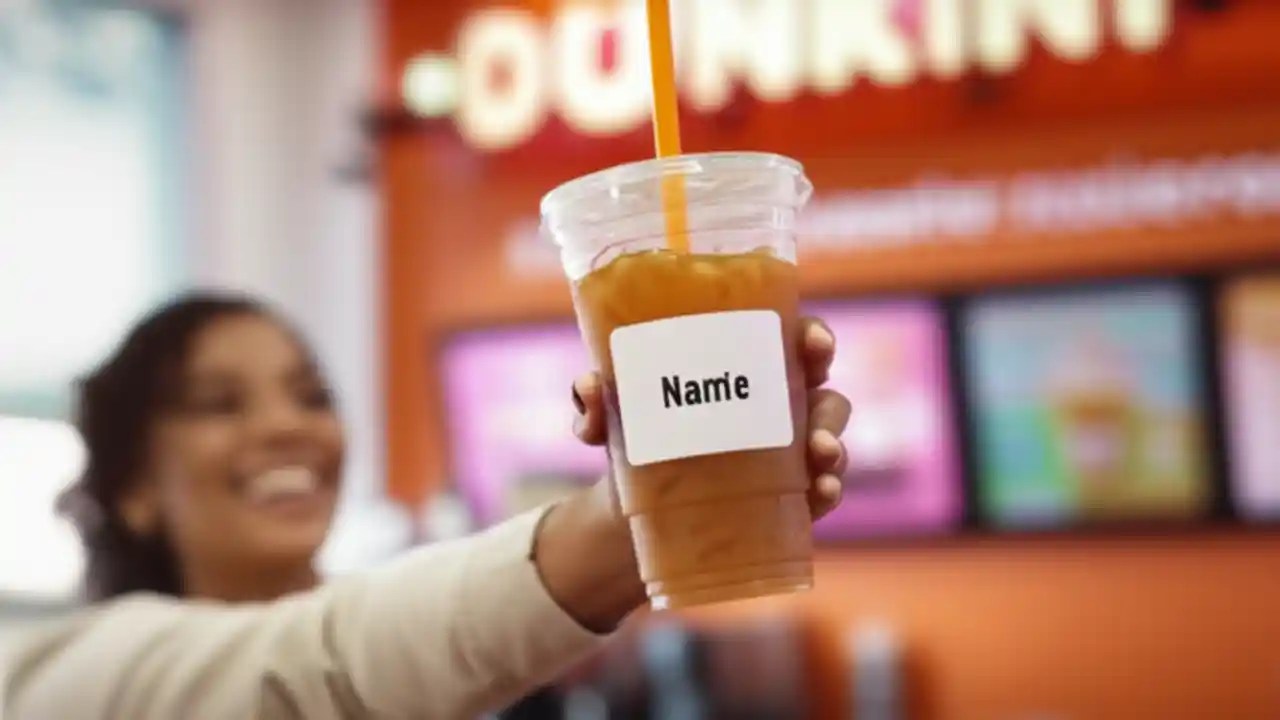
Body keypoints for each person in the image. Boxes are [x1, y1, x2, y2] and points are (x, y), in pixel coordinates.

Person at [1, 293, 851, 719]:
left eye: (310, 395)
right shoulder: (88, 676)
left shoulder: (427, 671)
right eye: (220, 405)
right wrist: (636, 520)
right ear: (134, 488)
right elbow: (322, 668)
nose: (286, 429)